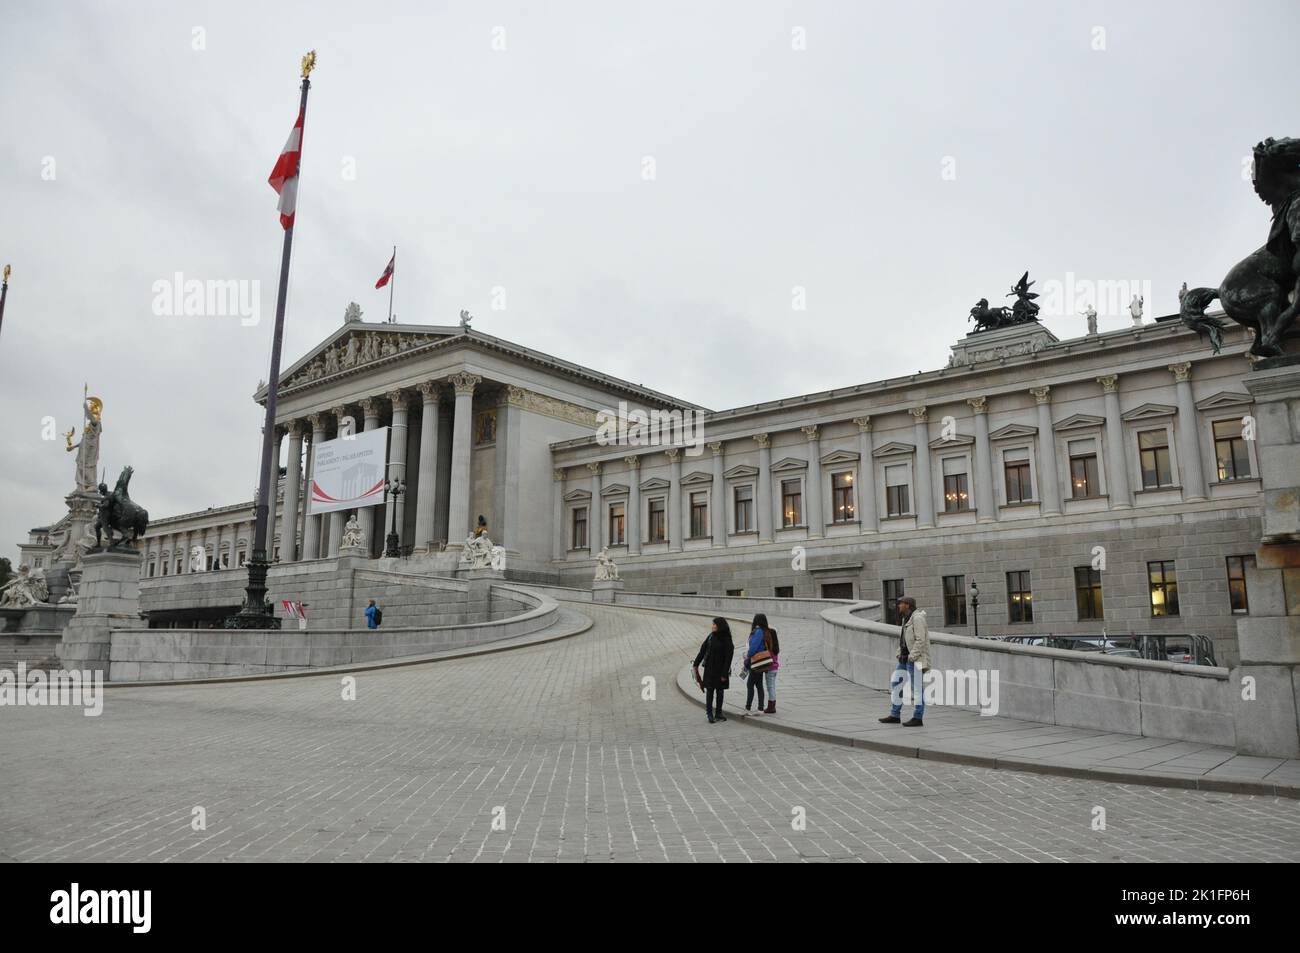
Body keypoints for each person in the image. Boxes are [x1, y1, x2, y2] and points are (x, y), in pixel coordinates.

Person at [880, 596, 930, 727]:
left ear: (907, 605)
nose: (898, 606)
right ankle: (895, 715)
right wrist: (899, 652)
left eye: (901, 604)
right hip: (904, 659)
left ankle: (918, 718)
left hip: (915, 659)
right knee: (896, 682)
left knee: (917, 688)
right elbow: (905, 639)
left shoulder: (918, 618)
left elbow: (921, 640)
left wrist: (911, 656)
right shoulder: (906, 619)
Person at [692, 618, 734, 724]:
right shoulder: (711, 636)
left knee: (720, 691)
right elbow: (702, 651)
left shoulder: (727, 639)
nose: (712, 626)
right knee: (710, 691)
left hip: (721, 670)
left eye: (714, 624)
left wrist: (724, 673)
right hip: (710, 669)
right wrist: (695, 664)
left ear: (720, 626)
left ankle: (718, 713)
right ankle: (709, 714)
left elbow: (728, 658)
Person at [743, 613, 769, 715]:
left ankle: (748, 708)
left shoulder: (758, 632)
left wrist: (747, 655)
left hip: (756, 662)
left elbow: (753, 647)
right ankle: (760, 708)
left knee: (750, 684)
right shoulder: (763, 631)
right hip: (759, 662)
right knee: (759, 685)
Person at [762, 626, 780, 715]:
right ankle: (772, 705)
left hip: (770, 669)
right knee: (772, 686)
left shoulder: (769, 648)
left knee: (770, 688)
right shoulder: (776, 647)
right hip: (775, 669)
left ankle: (771, 706)